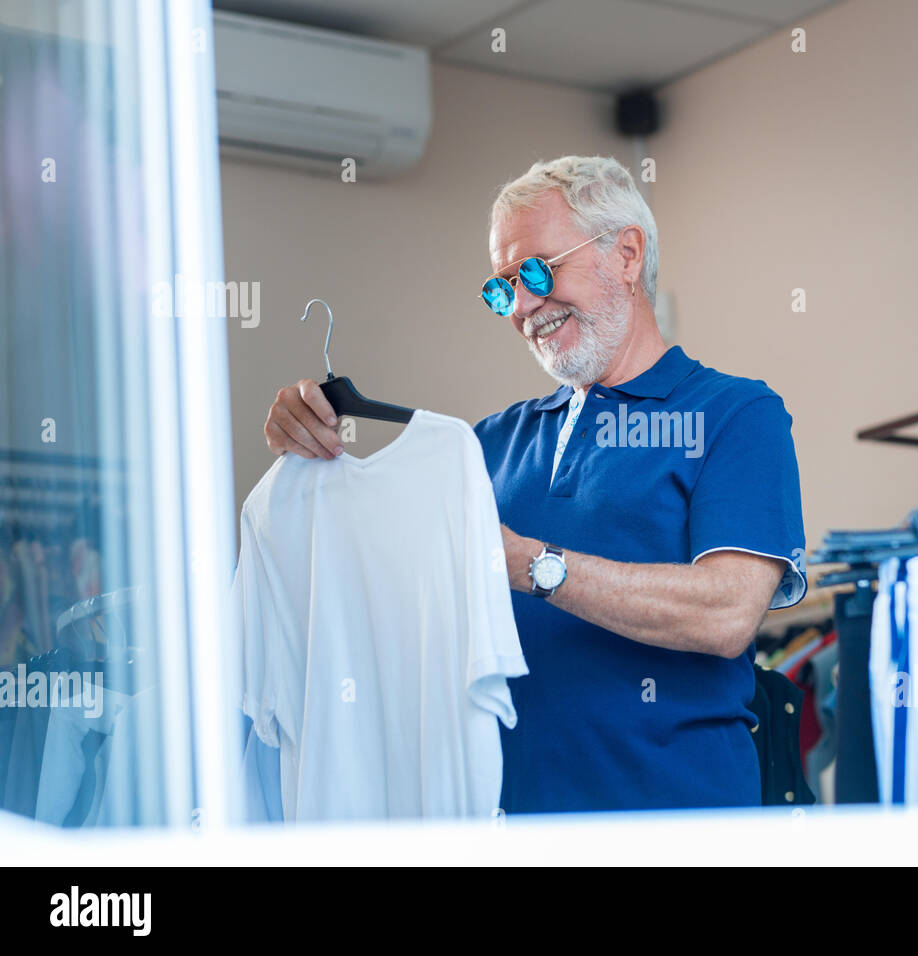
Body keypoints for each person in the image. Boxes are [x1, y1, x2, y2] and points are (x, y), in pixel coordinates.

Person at [263, 155, 806, 812]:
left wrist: (530, 566)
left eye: (538, 271)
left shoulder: (736, 413)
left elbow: (727, 612)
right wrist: (316, 454)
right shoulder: (481, 445)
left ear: (627, 255)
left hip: (678, 830)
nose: (521, 306)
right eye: (501, 289)